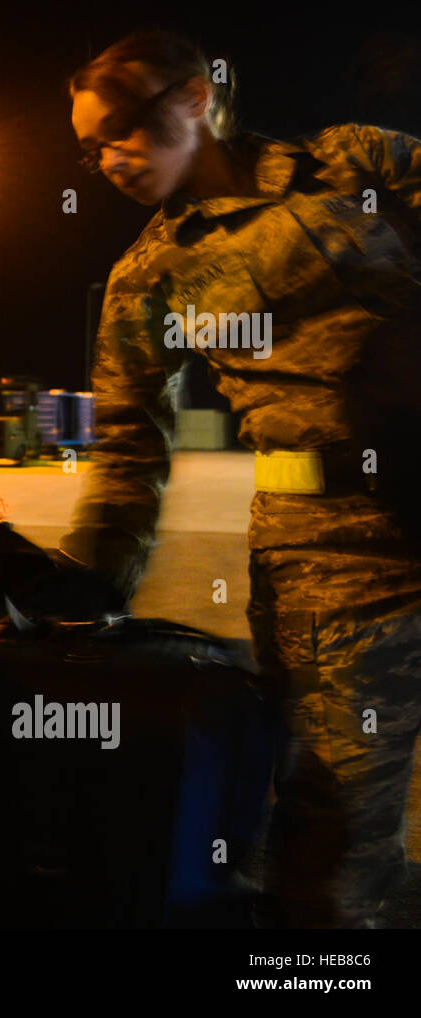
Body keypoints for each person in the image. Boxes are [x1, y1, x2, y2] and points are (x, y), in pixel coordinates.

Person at [61, 27, 421, 928]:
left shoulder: (353, 161)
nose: (105, 159)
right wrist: (77, 600)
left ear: (192, 99)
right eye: (87, 147)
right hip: (334, 563)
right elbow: (125, 456)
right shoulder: (147, 278)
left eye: (120, 130)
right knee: (334, 849)